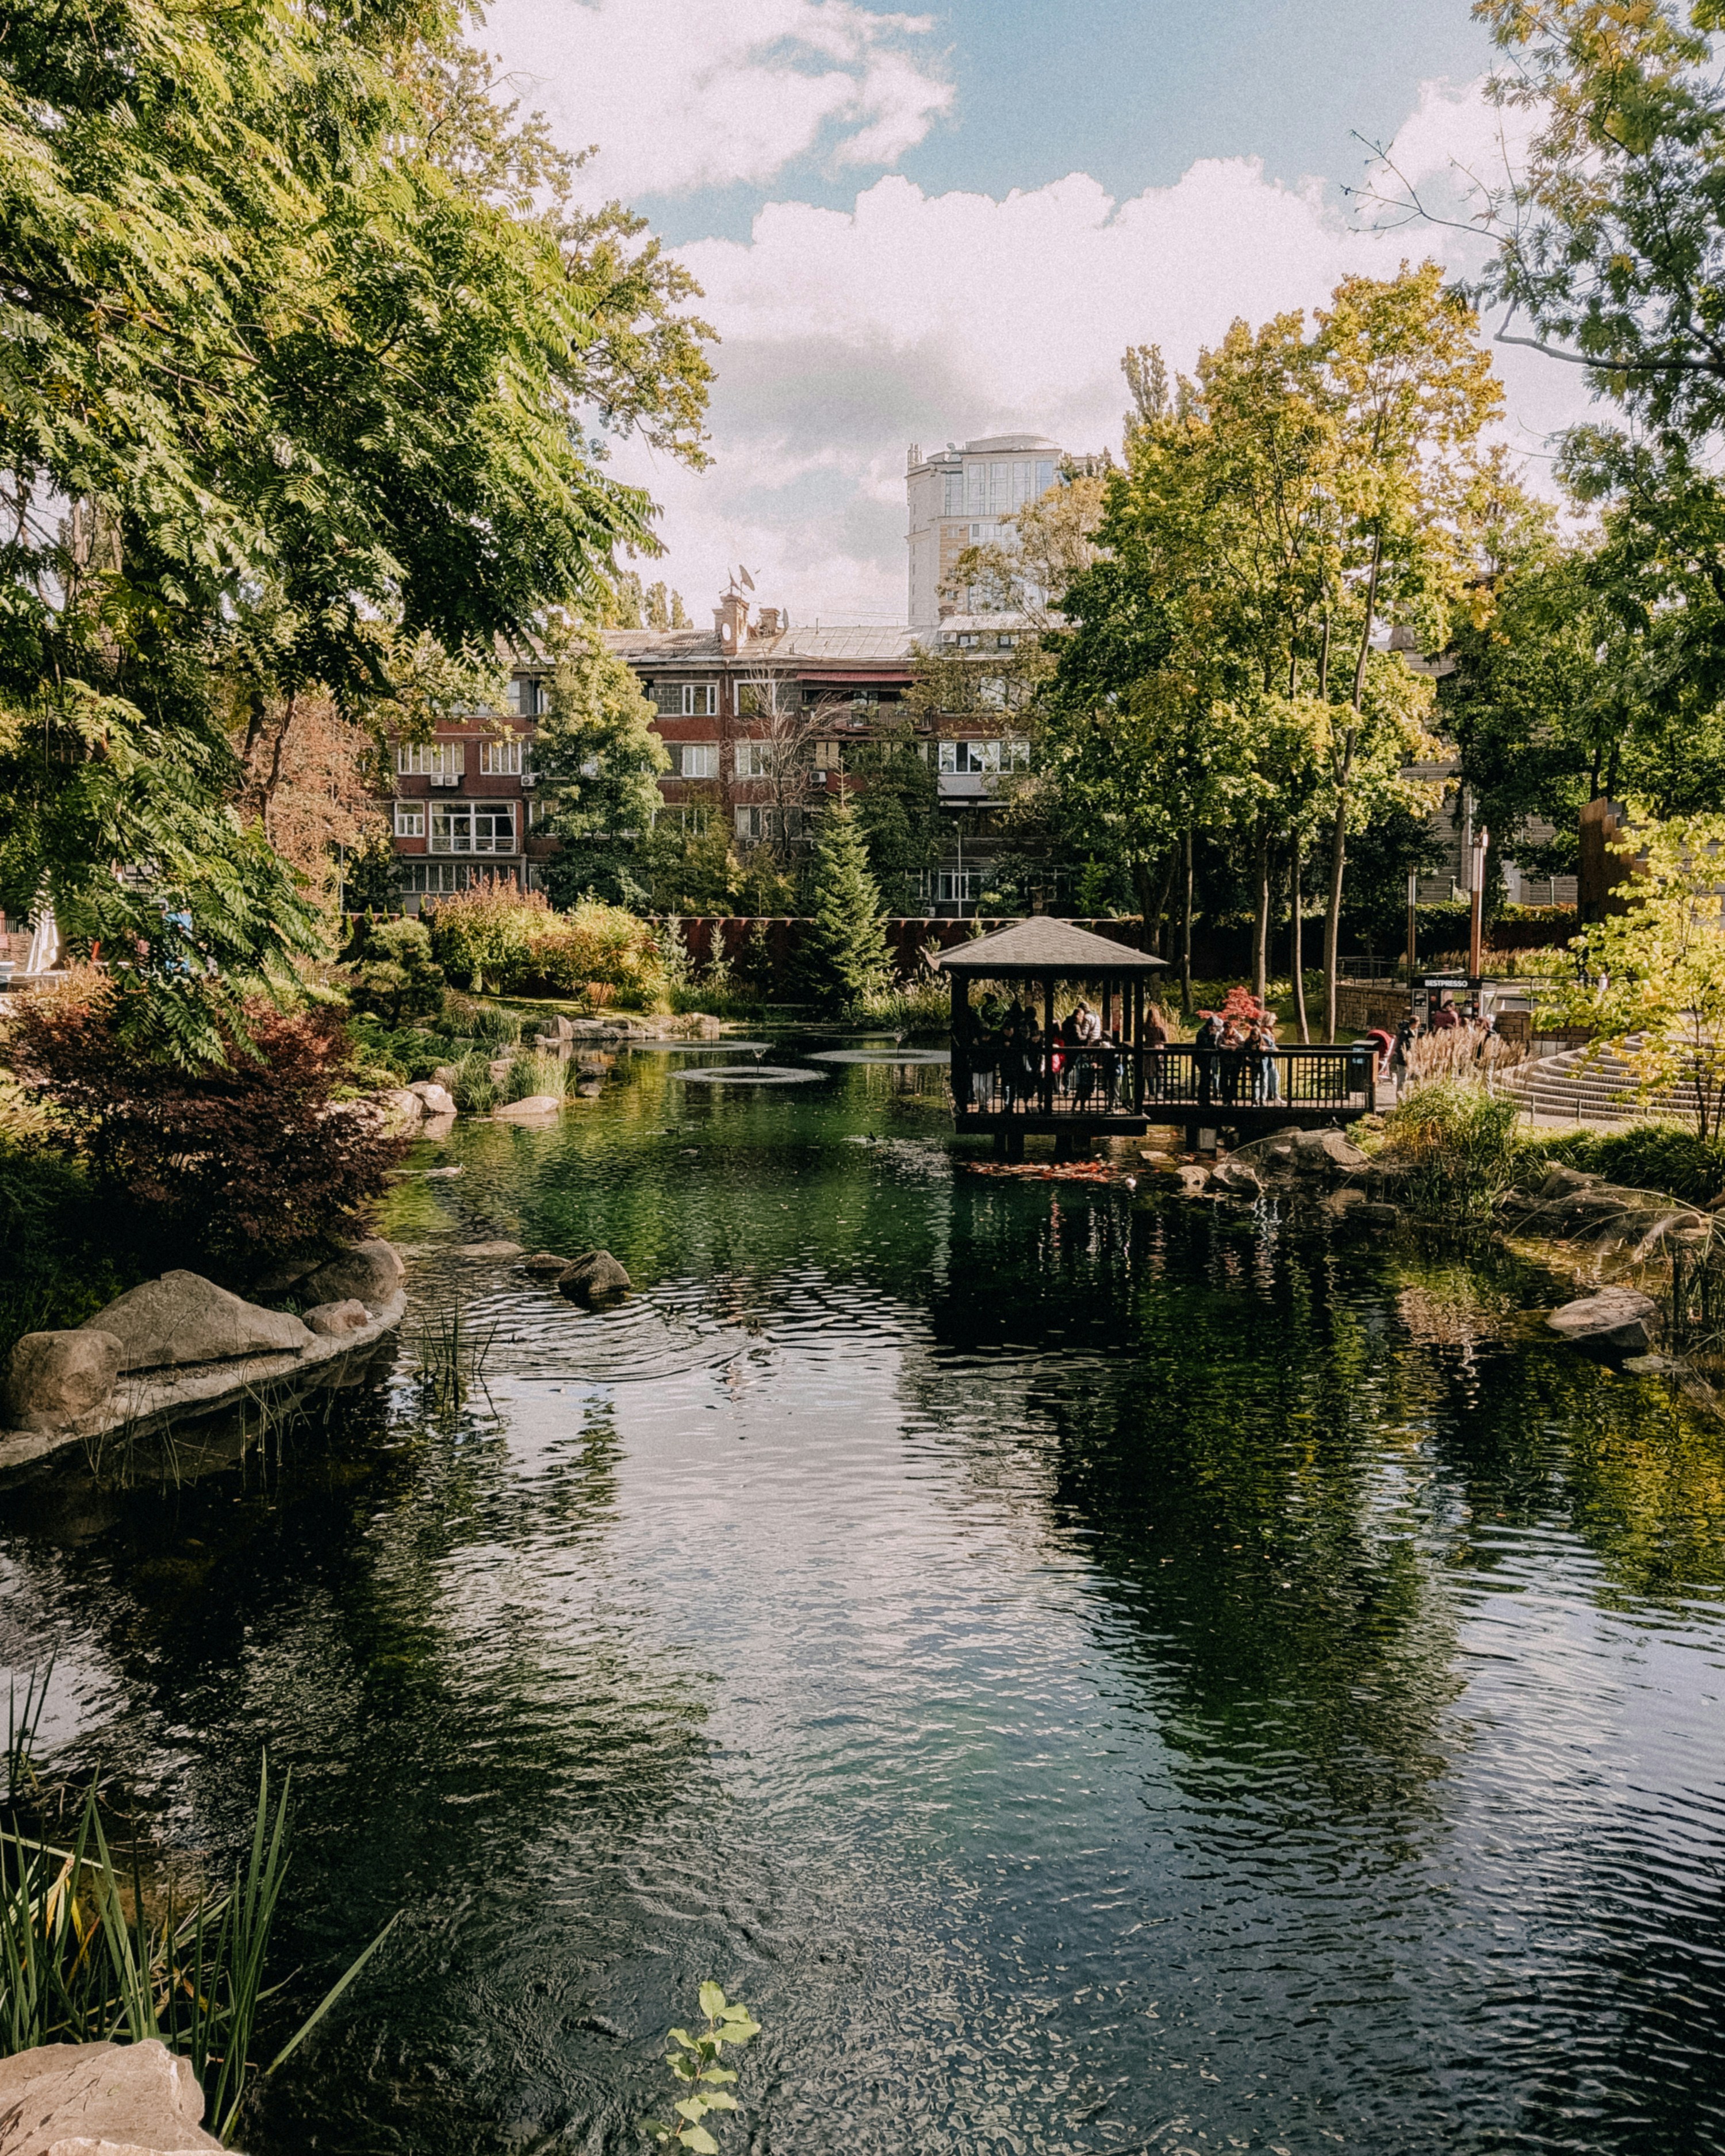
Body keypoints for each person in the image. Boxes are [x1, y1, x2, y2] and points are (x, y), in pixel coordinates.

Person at [1194, 1011, 1221, 1110]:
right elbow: (1206, 1045)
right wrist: (1213, 1036)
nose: (1213, 1028)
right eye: (1211, 1026)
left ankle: (1205, 1100)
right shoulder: (1202, 1033)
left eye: (1215, 1026)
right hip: (1202, 1059)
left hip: (1207, 1059)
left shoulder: (1207, 1032)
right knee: (1205, 1078)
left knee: (1207, 1078)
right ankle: (1203, 1100)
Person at [1254, 1012, 1280, 1102]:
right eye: (1273, 1020)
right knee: (1275, 1076)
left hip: (1268, 1056)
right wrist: (1273, 1048)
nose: (1274, 1022)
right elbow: (1269, 1044)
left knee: (1269, 1077)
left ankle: (1270, 1095)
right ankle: (1273, 1095)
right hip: (1266, 1057)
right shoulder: (1265, 1031)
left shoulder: (1266, 1030)